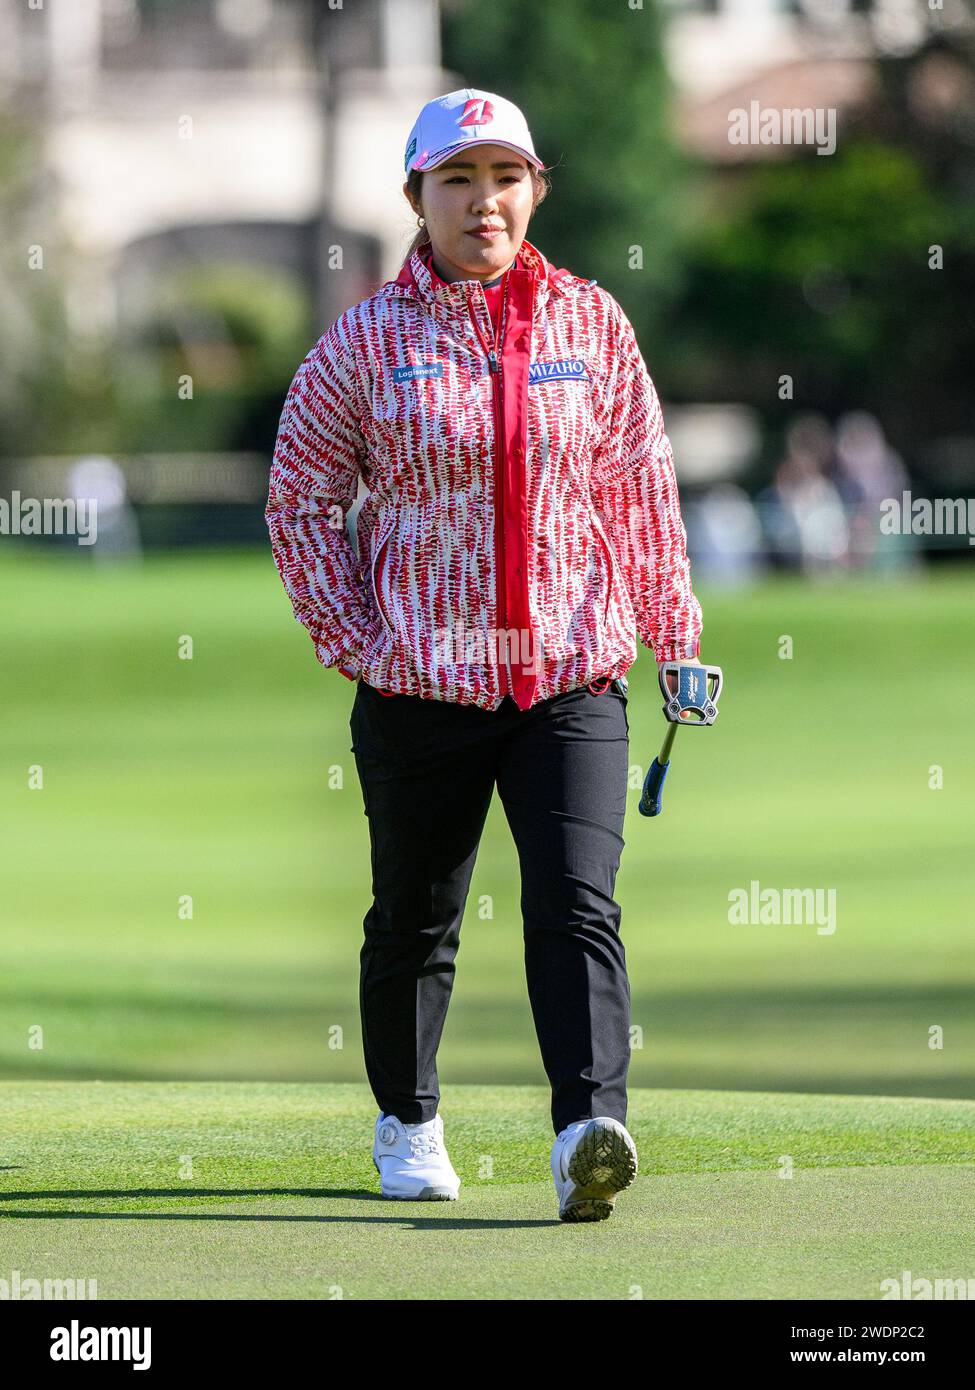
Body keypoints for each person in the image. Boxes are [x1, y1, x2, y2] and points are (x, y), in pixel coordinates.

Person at [265, 88, 704, 1223]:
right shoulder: (366, 341)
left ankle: (586, 1131)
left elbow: (640, 490)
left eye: (505, 177)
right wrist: (354, 633)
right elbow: (303, 496)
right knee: (416, 913)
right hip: (422, 682)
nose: (483, 201)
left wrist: (675, 633)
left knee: (578, 903)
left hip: (569, 671)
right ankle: (409, 1119)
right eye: (457, 180)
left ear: (535, 191)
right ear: (417, 197)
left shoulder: (591, 324)